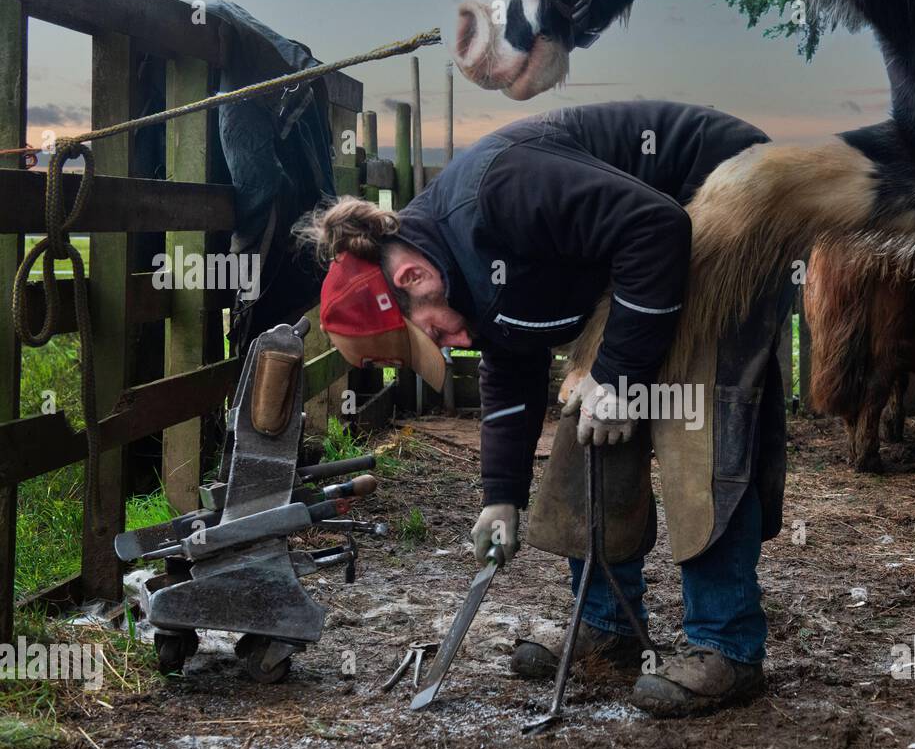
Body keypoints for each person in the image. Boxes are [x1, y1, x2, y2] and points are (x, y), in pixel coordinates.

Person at [295, 100, 784, 716]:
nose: (452, 345)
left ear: (415, 277)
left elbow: (656, 228)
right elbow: (512, 363)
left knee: (694, 418)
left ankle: (727, 645)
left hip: (731, 195)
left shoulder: (500, 191)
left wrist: (620, 377)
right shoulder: (456, 265)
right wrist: (500, 496)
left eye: (436, 336)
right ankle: (609, 624)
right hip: (647, 252)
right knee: (592, 418)